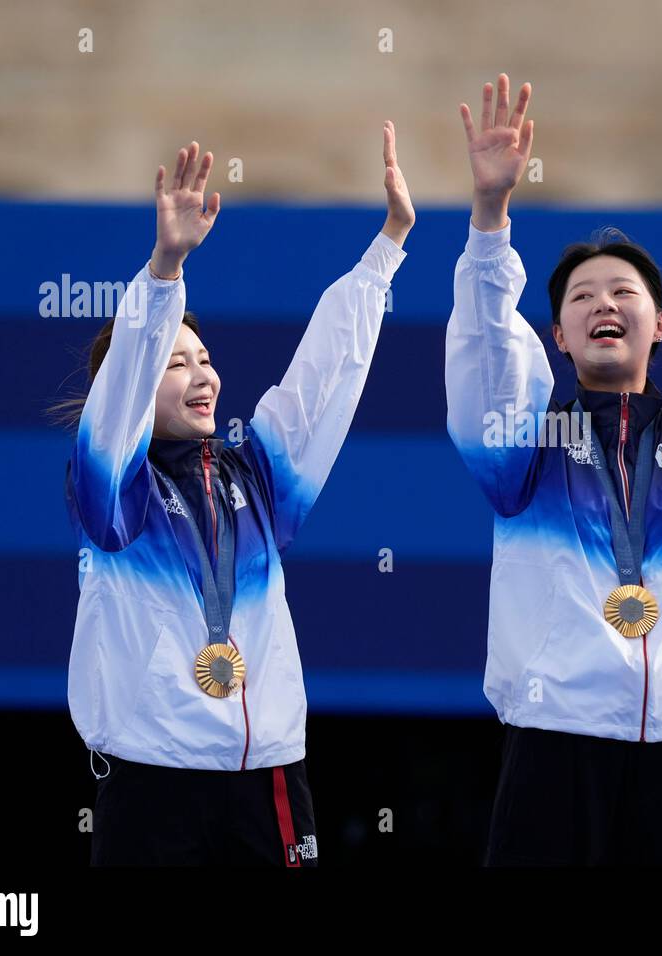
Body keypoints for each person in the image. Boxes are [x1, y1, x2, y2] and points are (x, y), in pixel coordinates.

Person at [445, 51, 662, 865]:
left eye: (624, 293)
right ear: (559, 338)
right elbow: (486, 355)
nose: (604, 302)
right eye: (582, 298)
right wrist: (490, 219)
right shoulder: (524, 454)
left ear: (661, 326)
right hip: (555, 745)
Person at [52, 127, 413, 865]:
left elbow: (322, 381)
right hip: (154, 784)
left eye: (206, 359)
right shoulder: (114, 497)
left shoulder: (257, 481)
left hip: (269, 778)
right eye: (174, 363)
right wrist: (165, 270)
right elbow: (120, 388)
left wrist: (387, 249)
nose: (203, 374)